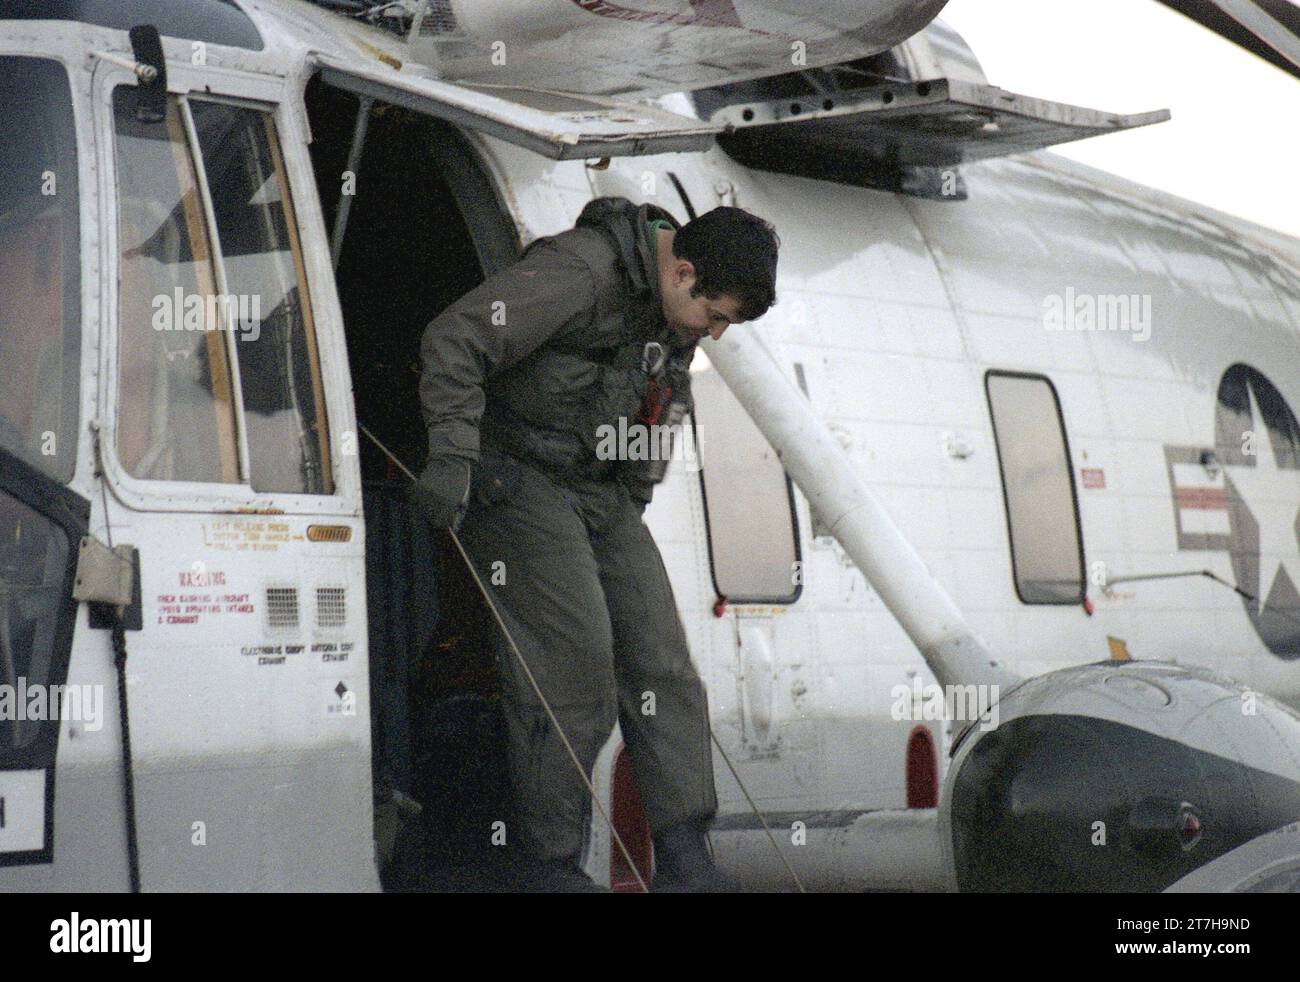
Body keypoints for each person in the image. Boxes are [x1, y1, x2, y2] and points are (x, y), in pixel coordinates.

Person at [415, 195, 779, 890]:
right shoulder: (581, 274)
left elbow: (659, 406)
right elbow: (455, 337)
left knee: (661, 660)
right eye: (717, 316)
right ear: (682, 274)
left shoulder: (678, 319)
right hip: (517, 475)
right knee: (575, 663)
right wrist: (453, 456)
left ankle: (684, 854)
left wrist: (631, 497)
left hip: (600, 493)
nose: (717, 333)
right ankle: (546, 862)